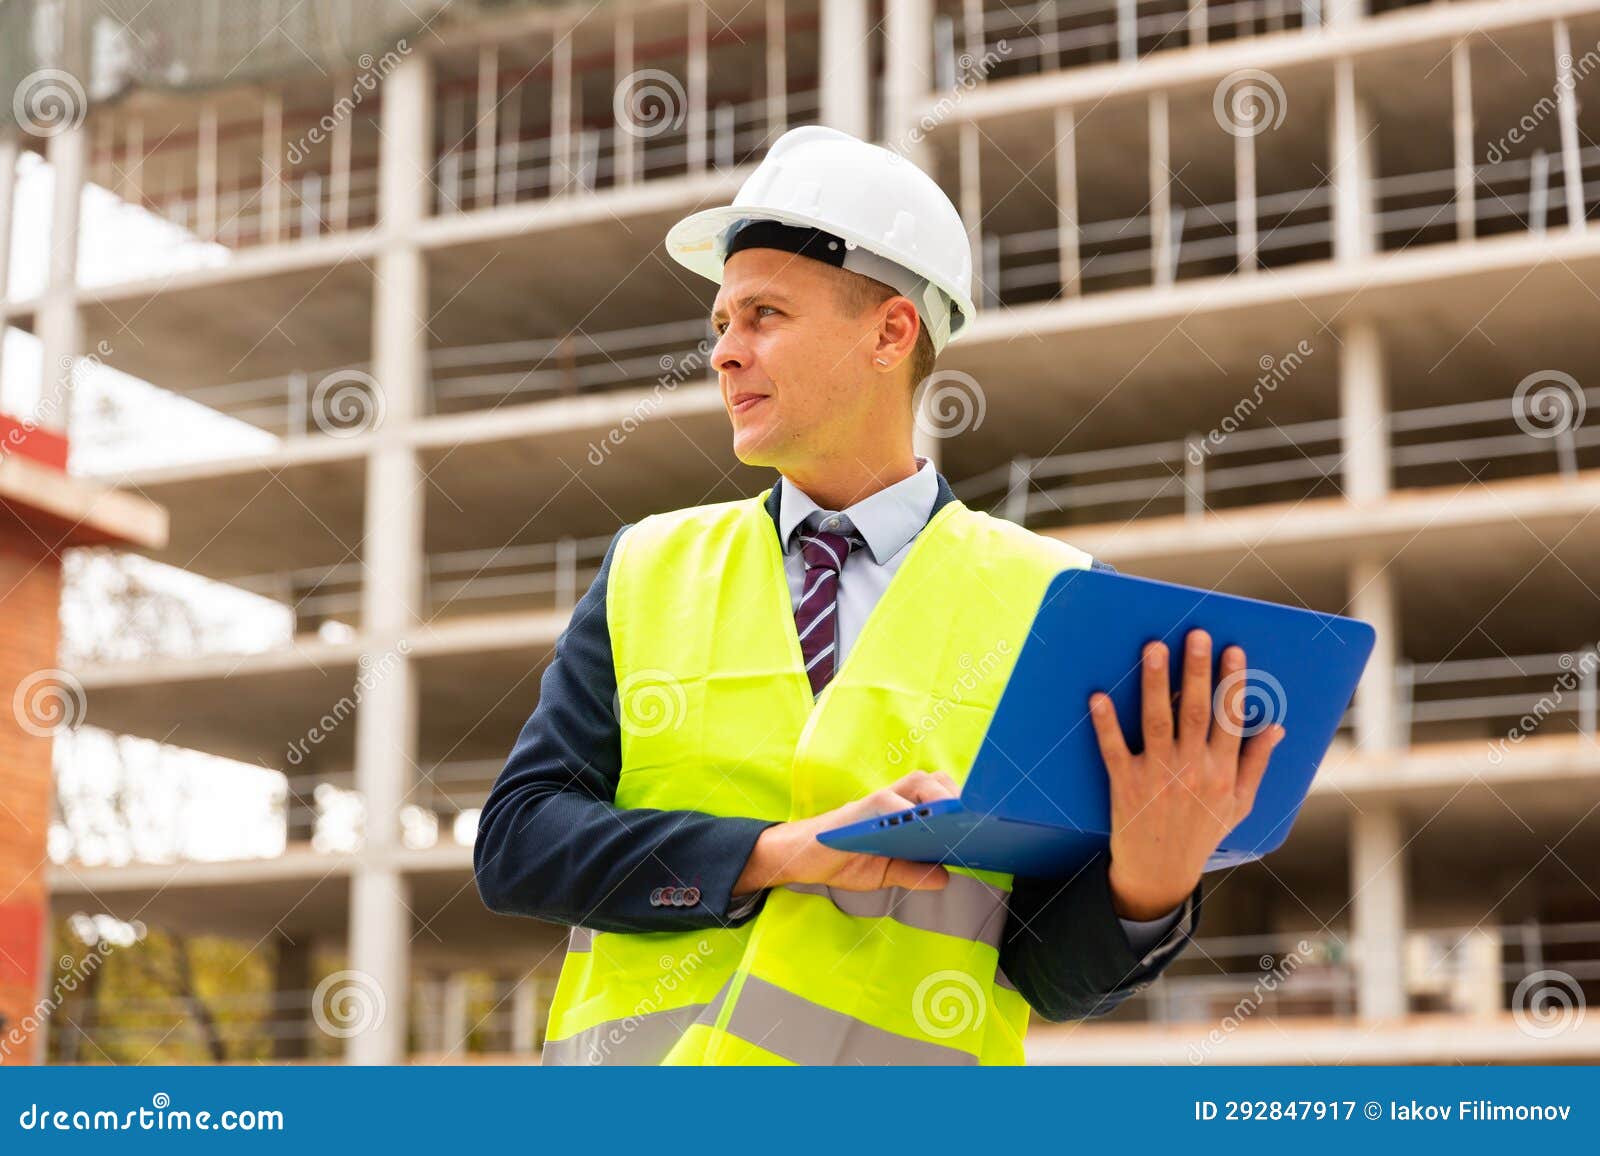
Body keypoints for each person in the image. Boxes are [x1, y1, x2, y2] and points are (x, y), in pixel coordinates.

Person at [474, 126, 1284, 1066]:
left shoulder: (1051, 597)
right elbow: (520, 845)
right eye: (721, 325)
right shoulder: (648, 566)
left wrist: (1150, 882)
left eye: (763, 315)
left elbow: (1047, 977)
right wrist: (775, 852)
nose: (724, 354)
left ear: (891, 331)